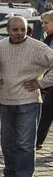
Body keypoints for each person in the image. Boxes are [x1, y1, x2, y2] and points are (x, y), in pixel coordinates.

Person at [0, 15, 53, 177]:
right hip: (6, 100)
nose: (19, 32)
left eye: (23, 29)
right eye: (15, 29)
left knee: (25, 143)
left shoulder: (38, 47)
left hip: (29, 101)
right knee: (7, 142)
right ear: (7, 30)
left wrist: (42, 83)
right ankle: (9, 176)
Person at [36, 11, 53, 150]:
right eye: (42, 22)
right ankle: (37, 141)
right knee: (47, 111)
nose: (43, 25)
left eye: (46, 22)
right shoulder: (48, 39)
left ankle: (37, 141)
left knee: (47, 111)